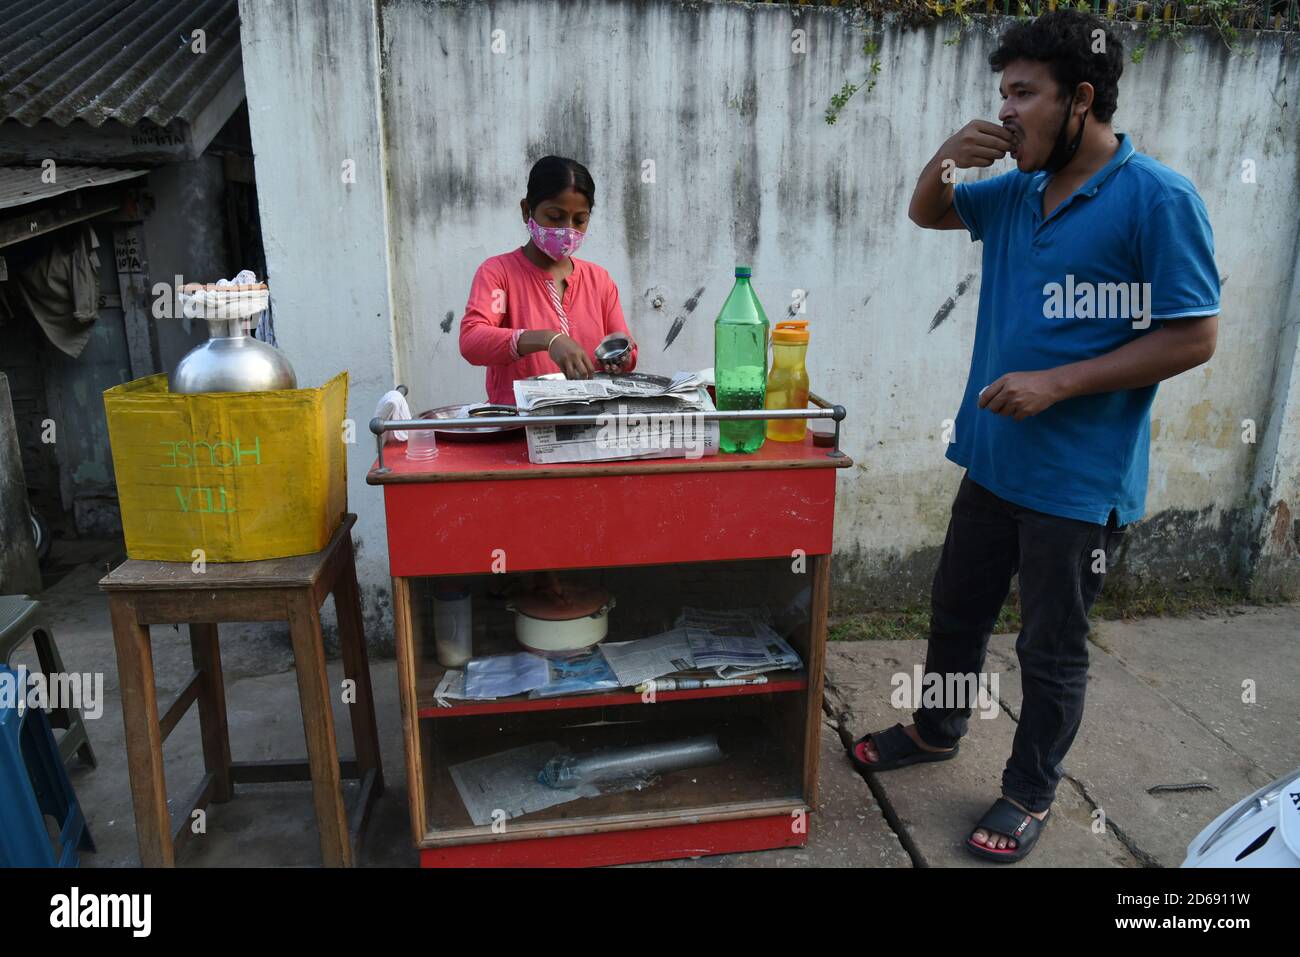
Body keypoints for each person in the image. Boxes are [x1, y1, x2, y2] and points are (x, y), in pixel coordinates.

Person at [852, 11, 1220, 862]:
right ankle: (940, 726)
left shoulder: (1158, 198)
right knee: (956, 607)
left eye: (1025, 93)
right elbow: (927, 211)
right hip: (992, 459)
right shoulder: (1018, 188)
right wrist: (954, 149)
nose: (1008, 109)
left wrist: (1057, 383)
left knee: (1050, 647)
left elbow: (1194, 334)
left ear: (1081, 98)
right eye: (1002, 92)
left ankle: (1028, 790)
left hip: (1078, 483)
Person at [459, 155, 637, 407]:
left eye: (580, 220)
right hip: (520, 428)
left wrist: (620, 356)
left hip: (591, 425)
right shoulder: (498, 273)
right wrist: (548, 340)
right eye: (555, 217)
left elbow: (628, 352)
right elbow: (472, 341)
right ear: (526, 210)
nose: (567, 230)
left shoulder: (599, 280)